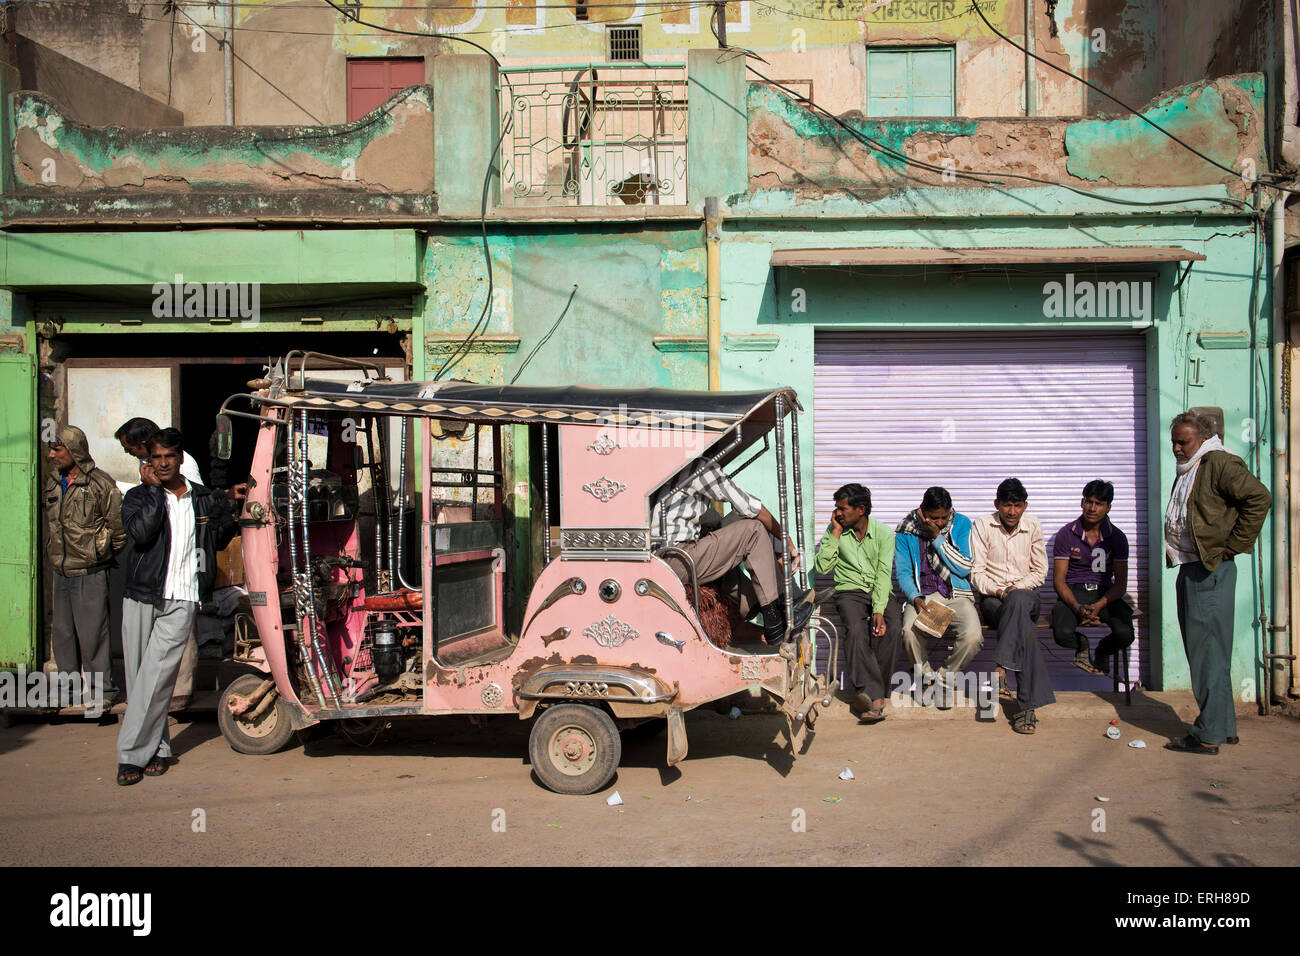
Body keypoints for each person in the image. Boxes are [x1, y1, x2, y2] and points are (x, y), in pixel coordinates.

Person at [116, 429, 239, 785]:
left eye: (169, 456)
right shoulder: (137, 497)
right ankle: (158, 748)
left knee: (156, 678)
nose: (163, 462)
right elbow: (141, 535)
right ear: (148, 463)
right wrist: (155, 491)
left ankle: (129, 756)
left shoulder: (201, 499)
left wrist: (232, 502)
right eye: (156, 458)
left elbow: (219, 535)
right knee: (140, 678)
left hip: (183, 597)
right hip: (142, 595)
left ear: (181, 458)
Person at [1163, 411, 1271, 755]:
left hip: (1209, 570)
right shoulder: (1193, 466)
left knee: (1206, 653)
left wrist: (1235, 545)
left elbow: (1259, 498)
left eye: (1184, 441)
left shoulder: (1219, 463)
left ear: (1203, 438)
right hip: (1194, 567)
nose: (1178, 448)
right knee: (1212, 653)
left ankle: (1209, 734)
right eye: (1175, 441)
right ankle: (1223, 727)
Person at [653, 457, 812, 645]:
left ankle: (769, 604)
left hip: (672, 556)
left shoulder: (672, 465)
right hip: (677, 557)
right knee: (753, 529)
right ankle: (774, 619)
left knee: (741, 526)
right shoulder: (697, 466)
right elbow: (750, 506)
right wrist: (788, 543)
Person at [114, 416, 204, 710]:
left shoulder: (185, 471)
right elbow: (143, 528)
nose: (162, 463)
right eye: (155, 457)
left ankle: (181, 690)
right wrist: (149, 490)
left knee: (178, 647)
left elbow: (197, 513)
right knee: (146, 664)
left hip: (181, 581)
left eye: (131, 449)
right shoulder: (146, 482)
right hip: (152, 582)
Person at [44, 426, 127, 706]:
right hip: (62, 571)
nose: (52, 454)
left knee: (94, 636)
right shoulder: (53, 482)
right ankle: (66, 692)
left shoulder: (101, 484)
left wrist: (99, 554)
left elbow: (119, 531)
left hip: (91, 572)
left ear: (75, 450)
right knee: (64, 635)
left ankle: (102, 693)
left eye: (58, 449)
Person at [970, 478, 1053, 734]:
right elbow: (977, 572)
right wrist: (999, 590)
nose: (1012, 511)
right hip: (994, 599)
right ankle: (1026, 708)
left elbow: (1040, 571)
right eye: (1007, 505)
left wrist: (1017, 589)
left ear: (1025, 506)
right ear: (997, 504)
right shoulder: (983, 525)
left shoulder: (1032, 525)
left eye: (1018, 505)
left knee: (1019, 602)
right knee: (1023, 629)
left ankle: (1001, 668)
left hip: (1027, 596)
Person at [813, 483, 900, 723]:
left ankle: (871, 692)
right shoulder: (836, 531)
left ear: (861, 509)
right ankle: (876, 696)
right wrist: (835, 534)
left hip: (878, 589)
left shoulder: (883, 533)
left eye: (842, 508)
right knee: (856, 630)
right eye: (836, 508)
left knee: (892, 628)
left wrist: (879, 610)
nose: (837, 513)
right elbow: (822, 566)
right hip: (849, 591)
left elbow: (883, 573)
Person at [895, 486, 982, 707]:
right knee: (908, 632)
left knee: (973, 637)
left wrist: (936, 537)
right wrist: (915, 597)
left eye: (944, 518)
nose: (940, 523)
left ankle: (943, 681)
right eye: (934, 518)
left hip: (955, 593)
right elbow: (904, 572)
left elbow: (963, 567)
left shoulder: (961, 523)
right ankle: (925, 679)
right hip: (923, 595)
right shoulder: (906, 530)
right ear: (923, 512)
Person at [1050, 480, 1135, 676]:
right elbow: (1059, 581)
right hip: (1074, 592)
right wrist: (1077, 608)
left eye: (1099, 504)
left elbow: (1120, 584)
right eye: (1089, 502)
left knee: (1125, 633)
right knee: (1061, 633)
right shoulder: (1067, 534)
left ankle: (1102, 651)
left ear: (1108, 507)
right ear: (1082, 503)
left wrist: (1099, 605)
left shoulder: (1118, 538)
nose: (1092, 508)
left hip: (1105, 594)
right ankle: (1083, 646)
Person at [114, 417, 203, 491]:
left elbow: (198, 495)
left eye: (129, 449)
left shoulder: (185, 463)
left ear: (143, 444)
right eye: (156, 457)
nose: (163, 464)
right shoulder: (145, 461)